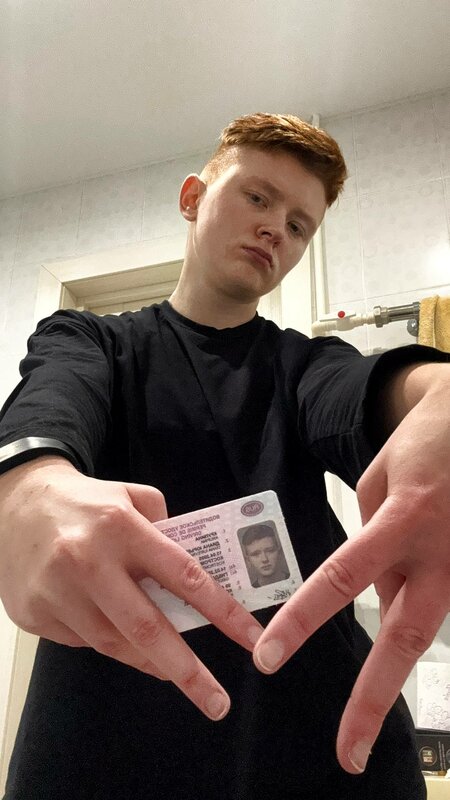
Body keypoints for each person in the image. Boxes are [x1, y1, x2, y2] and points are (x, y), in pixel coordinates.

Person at [0, 112, 449, 799]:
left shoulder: (304, 364)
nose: (276, 229)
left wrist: (439, 396)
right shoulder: (92, 342)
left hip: (318, 738)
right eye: (258, 197)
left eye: (299, 225)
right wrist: (29, 485)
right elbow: (46, 410)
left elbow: (367, 394)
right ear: (193, 198)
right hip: (109, 738)